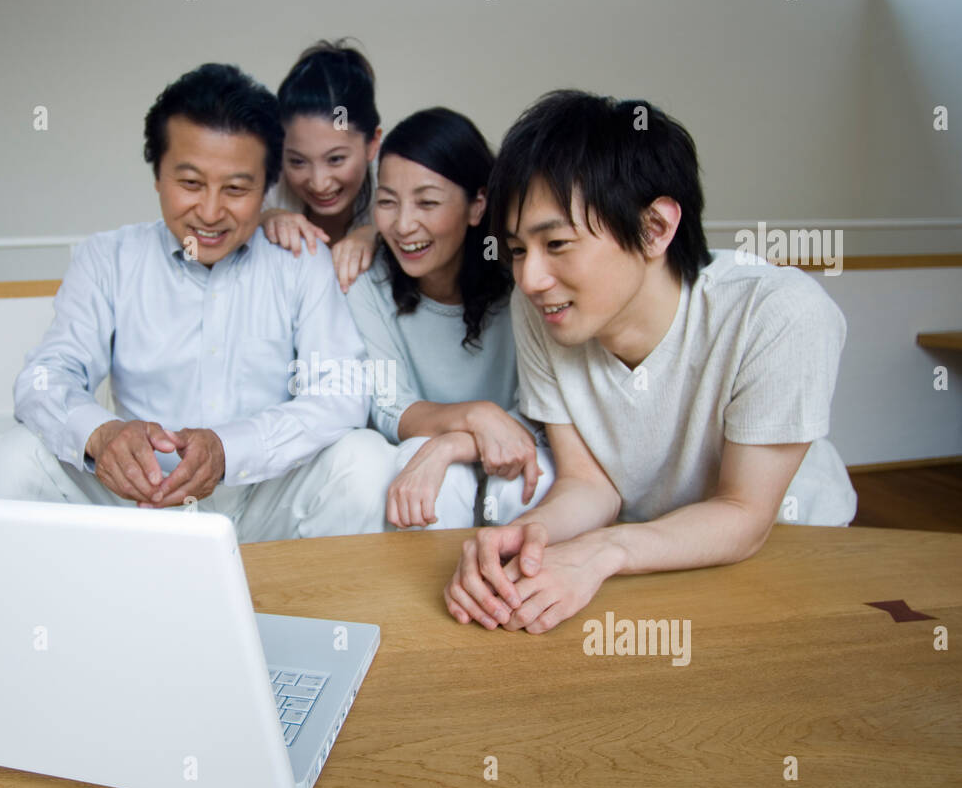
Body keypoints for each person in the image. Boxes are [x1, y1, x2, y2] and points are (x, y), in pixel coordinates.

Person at [445, 89, 858, 633]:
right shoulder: (542, 309)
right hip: (646, 552)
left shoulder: (778, 313)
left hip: (788, 547)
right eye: (518, 250)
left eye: (558, 244)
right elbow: (591, 484)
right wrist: (527, 535)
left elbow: (744, 515)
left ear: (655, 228)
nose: (530, 278)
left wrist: (601, 552)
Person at [0, 62, 394, 543]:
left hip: (264, 501)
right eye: (191, 183)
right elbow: (45, 376)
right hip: (137, 499)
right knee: (11, 457)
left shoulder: (301, 260)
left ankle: (315, 616)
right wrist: (100, 435)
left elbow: (340, 392)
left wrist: (230, 450)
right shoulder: (107, 258)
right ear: (157, 174)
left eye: (237, 189)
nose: (211, 211)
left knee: (365, 459)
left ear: (267, 187)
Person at [343, 107, 554, 530]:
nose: (403, 225)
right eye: (387, 202)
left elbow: (543, 409)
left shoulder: (522, 276)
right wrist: (475, 416)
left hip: (519, 443)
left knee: (526, 482)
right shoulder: (367, 283)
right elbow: (388, 406)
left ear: (477, 205)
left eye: (427, 202)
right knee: (432, 476)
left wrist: (460, 438)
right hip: (420, 454)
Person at [260, 39, 382, 291]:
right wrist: (263, 219)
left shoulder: (393, 188)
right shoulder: (264, 186)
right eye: (297, 161)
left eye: (336, 159)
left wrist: (379, 235)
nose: (319, 182)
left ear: (372, 144)